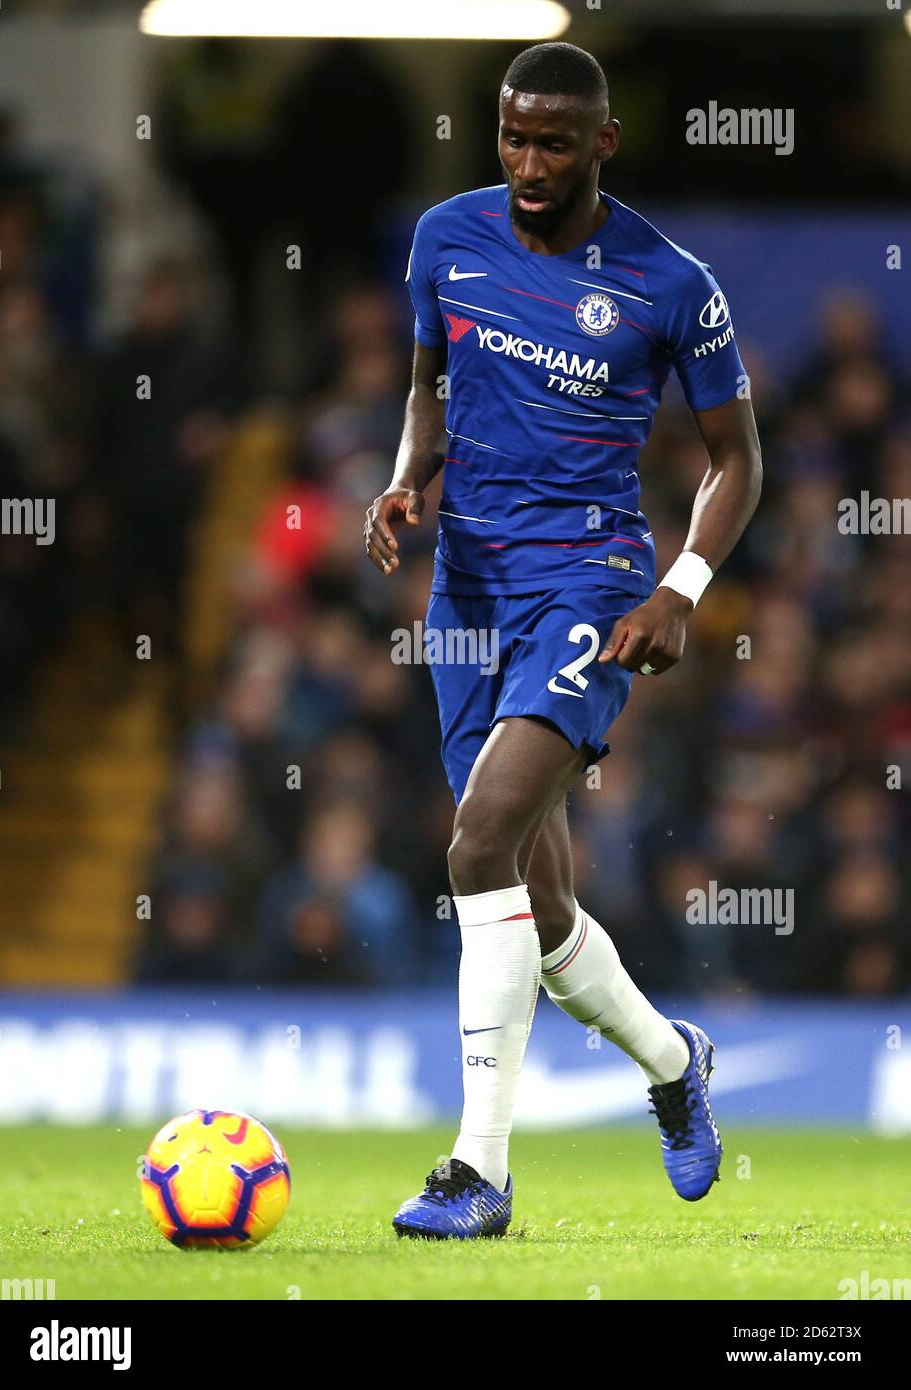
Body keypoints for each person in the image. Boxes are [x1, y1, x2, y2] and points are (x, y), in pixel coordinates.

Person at [364, 42, 762, 1239]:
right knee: (531, 913)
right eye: (511, 137)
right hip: (468, 595)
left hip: (590, 584)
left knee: (478, 843)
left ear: (602, 143)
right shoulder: (445, 238)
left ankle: (476, 1171)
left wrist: (683, 588)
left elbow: (737, 458)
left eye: (552, 141)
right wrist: (405, 479)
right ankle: (670, 1059)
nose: (528, 164)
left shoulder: (668, 282)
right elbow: (428, 382)